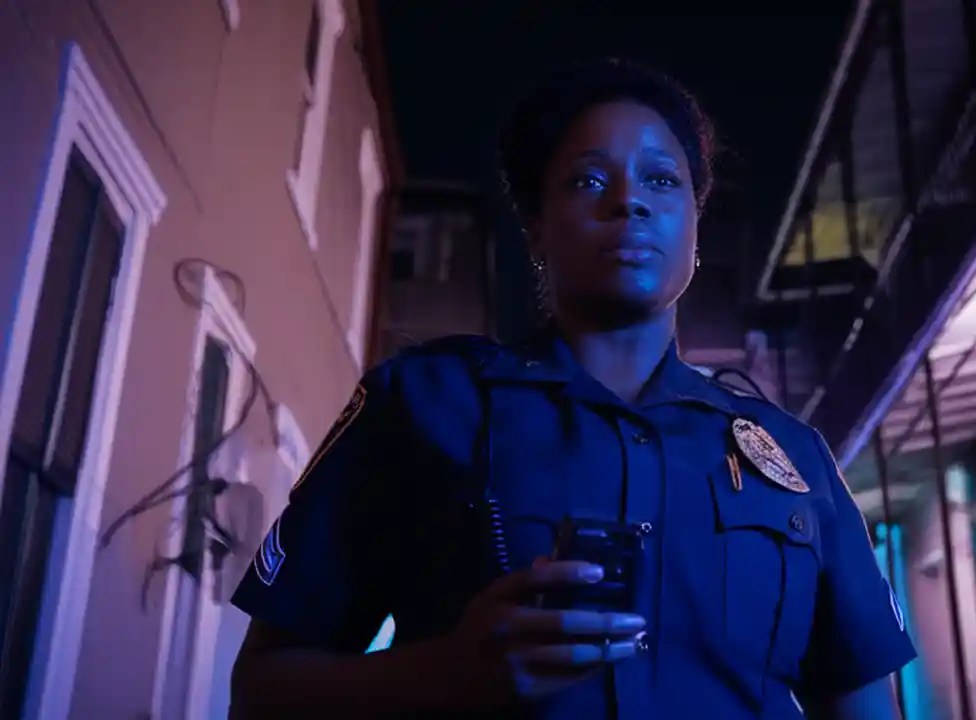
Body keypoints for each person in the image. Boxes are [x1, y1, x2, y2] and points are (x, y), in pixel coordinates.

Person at [228, 59, 915, 719]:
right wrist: (444, 672)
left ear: (694, 232)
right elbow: (261, 691)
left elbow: (861, 701)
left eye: (662, 181)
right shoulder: (420, 404)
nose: (630, 202)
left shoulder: (794, 458)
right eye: (588, 182)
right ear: (536, 229)